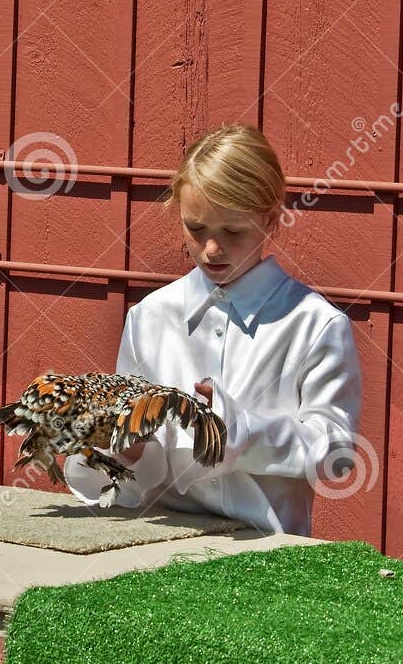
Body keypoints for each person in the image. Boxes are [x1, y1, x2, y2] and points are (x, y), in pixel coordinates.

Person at [66, 124, 362, 536]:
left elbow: (336, 451)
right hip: (157, 542)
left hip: (267, 555)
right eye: (196, 228)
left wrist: (239, 431)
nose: (211, 249)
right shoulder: (149, 318)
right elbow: (137, 468)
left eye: (233, 232)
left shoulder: (315, 324)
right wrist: (124, 445)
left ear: (272, 219)